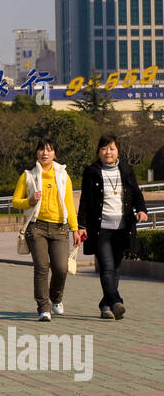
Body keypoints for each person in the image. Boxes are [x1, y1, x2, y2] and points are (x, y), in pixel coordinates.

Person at [77, 134, 148, 320]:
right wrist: (81, 225)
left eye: (112, 148)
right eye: (104, 148)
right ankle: (116, 301)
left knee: (115, 269)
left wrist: (141, 210)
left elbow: (136, 193)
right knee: (107, 267)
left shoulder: (126, 169)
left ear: (118, 151)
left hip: (123, 228)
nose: (108, 152)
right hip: (100, 229)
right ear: (98, 152)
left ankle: (105, 305)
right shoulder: (91, 171)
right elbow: (85, 200)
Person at [12, 137, 81, 322]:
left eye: (49, 150)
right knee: (41, 267)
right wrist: (30, 201)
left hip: (60, 228)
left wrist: (75, 229)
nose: (45, 153)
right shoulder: (28, 175)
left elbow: (69, 204)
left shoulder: (63, 176)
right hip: (37, 227)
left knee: (61, 268)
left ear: (54, 154)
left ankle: (56, 298)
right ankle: (43, 307)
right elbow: (15, 201)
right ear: (37, 153)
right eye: (42, 149)